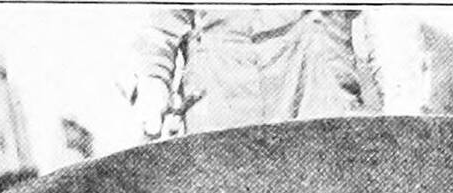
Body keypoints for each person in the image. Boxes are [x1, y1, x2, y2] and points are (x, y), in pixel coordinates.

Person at [128, 7, 385, 140]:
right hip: (221, 103)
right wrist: (153, 81)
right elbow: (159, 28)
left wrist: (402, 98)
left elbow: (387, 20)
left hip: (315, 91)